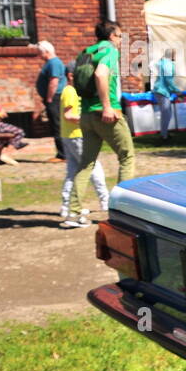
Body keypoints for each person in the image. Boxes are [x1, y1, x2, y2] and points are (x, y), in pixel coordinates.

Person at [66, 21, 135, 229]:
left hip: (86, 115)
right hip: (106, 113)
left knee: (86, 163)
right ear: (112, 36)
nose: (122, 40)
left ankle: (73, 212)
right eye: (120, 36)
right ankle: (123, 211)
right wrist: (106, 106)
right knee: (127, 157)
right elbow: (100, 74)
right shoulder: (110, 51)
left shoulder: (86, 52)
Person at [57, 73, 110, 220]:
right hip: (76, 135)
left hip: (71, 135)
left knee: (73, 171)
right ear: (71, 75)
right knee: (93, 166)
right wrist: (89, 120)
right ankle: (105, 201)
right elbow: (68, 115)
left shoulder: (75, 91)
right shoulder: (70, 91)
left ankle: (66, 206)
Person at [36, 40, 67, 161]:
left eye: (40, 53)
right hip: (54, 97)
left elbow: (54, 81)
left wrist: (49, 98)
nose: (39, 56)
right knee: (56, 124)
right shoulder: (52, 63)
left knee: (57, 125)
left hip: (55, 98)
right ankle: (62, 153)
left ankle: (62, 154)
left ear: (46, 51)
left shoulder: (53, 63)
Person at [152, 47, 179, 140]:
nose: (175, 56)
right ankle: (164, 136)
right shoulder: (168, 64)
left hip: (159, 91)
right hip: (162, 91)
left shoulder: (162, 62)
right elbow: (168, 80)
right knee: (166, 114)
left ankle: (164, 133)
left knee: (166, 114)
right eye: (175, 54)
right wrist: (177, 91)